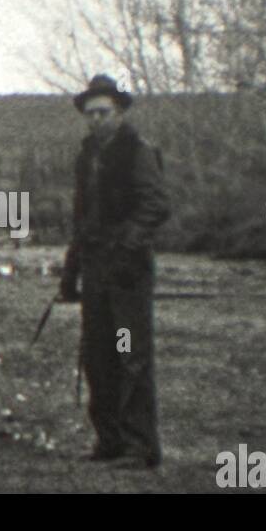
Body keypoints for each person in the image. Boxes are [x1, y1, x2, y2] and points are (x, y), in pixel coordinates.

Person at [59, 74, 171, 466]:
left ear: (119, 112)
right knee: (98, 355)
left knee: (129, 354)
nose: (96, 119)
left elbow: (156, 205)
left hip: (127, 271)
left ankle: (140, 446)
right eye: (90, 113)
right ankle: (109, 441)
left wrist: (127, 245)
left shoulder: (138, 151)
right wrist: (70, 271)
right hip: (95, 268)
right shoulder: (87, 155)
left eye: (103, 112)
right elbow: (82, 217)